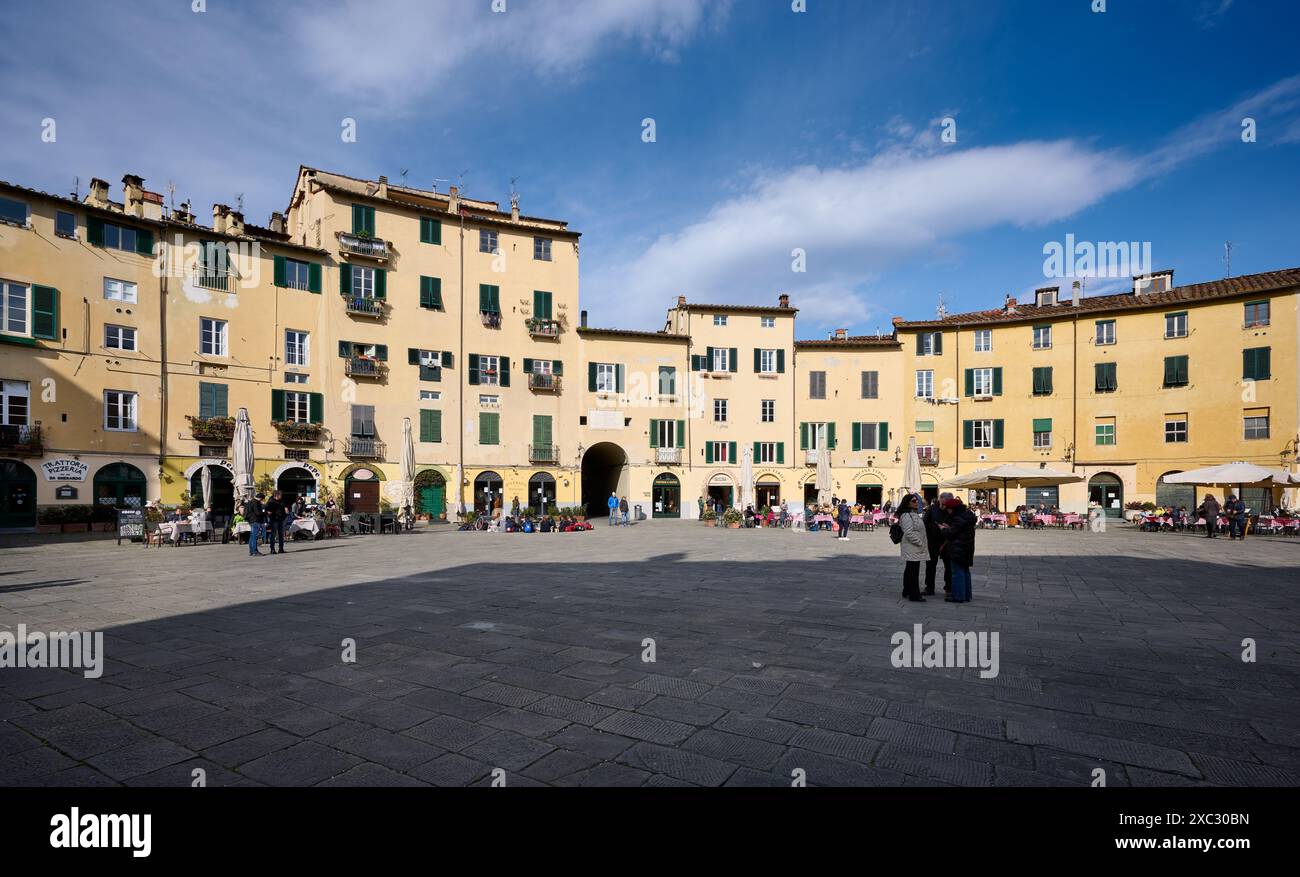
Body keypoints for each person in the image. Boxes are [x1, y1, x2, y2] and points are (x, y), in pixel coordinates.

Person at [941, 496, 977, 603]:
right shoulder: (967, 516)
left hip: (958, 548)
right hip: (967, 547)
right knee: (965, 571)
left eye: (949, 509)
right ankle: (966, 595)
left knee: (957, 572)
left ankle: (958, 596)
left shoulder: (959, 518)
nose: (948, 511)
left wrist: (943, 529)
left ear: (953, 509)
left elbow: (951, 534)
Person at [897, 494, 928, 601]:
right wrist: (920, 542)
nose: (917, 502)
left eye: (917, 501)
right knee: (913, 572)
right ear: (907, 503)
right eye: (914, 501)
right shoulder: (906, 515)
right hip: (912, 546)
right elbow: (908, 533)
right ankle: (914, 595)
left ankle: (907, 591)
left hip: (914, 547)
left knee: (910, 569)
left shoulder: (912, 513)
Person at [924, 492, 953, 596]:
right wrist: (929, 535)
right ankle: (929, 587)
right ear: (939, 499)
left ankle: (949, 588)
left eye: (946, 505)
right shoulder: (932, 509)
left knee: (949, 566)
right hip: (933, 541)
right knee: (930, 565)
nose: (944, 506)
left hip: (947, 541)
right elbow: (925, 523)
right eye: (942, 504)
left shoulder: (952, 510)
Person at [264, 490, 288, 554]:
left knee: (281, 534)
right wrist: (269, 513)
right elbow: (266, 509)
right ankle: (272, 549)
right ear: (276, 495)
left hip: (281, 519)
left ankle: (281, 549)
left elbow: (285, 506)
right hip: (274, 519)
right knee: (273, 534)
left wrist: (286, 509)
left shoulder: (282, 500)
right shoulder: (271, 501)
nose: (281, 496)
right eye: (280, 495)